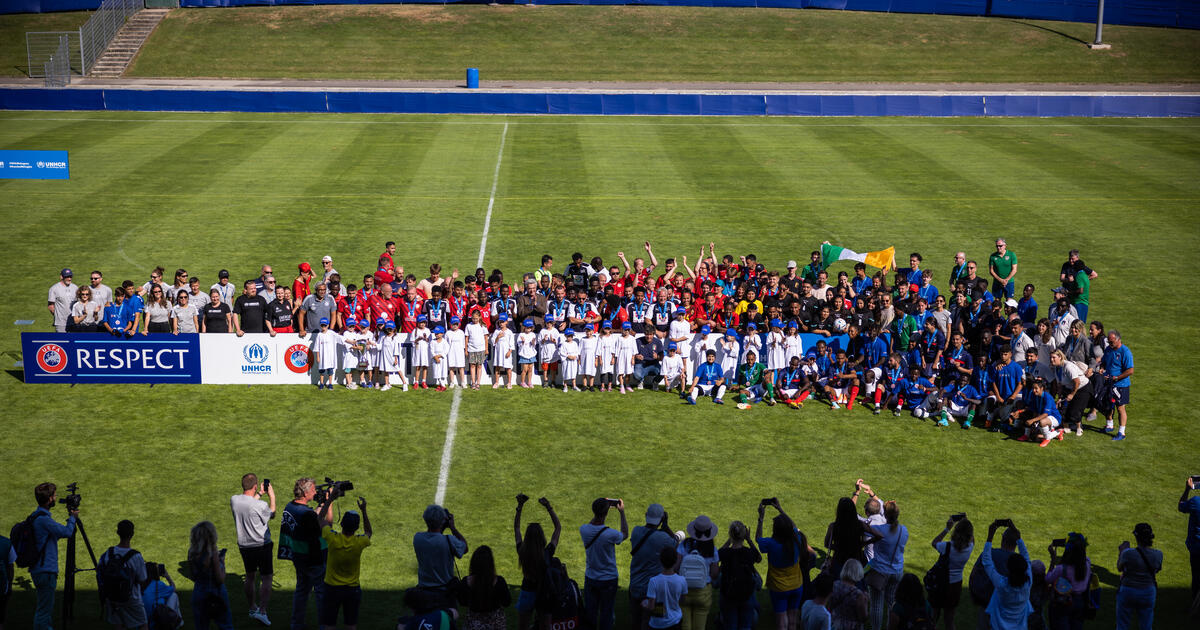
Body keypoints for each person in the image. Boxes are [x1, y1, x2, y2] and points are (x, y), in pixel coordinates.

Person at [279, 478, 329, 630]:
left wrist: (321, 506)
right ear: (306, 492)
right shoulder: (307, 514)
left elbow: (309, 518)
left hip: (298, 556)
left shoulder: (290, 507)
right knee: (321, 593)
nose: (316, 492)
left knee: (301, 590)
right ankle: (324, 626)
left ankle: (296, 624)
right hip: (313, 558)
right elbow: (324, 525)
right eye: (314, 490)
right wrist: (329, 502)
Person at [756, 498, 813, 630]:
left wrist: (761, 518)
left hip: (778, 588)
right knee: (793, 620)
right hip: (797, 585)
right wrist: (780, 509)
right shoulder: (797, 540)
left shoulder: (770, 544)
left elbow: (758, 539)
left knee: (781, 622)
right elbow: (793, 527)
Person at [28, 482, 78, 630]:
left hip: (39, 569)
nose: (56, 498)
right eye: (54, 495)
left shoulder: (36, 517)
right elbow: (67, 532)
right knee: (44, 610)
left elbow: (51, 536)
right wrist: (73, 517)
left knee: (45, 607)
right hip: (45, 571)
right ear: (49, 499)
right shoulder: (43, 519)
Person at [318, 496, 372, 630]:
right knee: (351, 625)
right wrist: (364, 510)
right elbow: (369, 532)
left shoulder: (332, 538)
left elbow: (320, 519)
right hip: (352, 589)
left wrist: (330, 499)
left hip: (332, 588)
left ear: (341, 524)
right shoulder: (360, 542)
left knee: (329, 624)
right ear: (356, 527)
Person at [230, 473, 275, 626]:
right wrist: (271, 496)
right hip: (262, 546)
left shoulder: (234, 500)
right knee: (266, 578)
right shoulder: (261, 505)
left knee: (250, 577)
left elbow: (249, 504)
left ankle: (252, 608)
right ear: (255, 485)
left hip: (244, 546)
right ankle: (262, 611)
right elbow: (272, 514)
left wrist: (260, 494)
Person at [514, 494, 561, 630]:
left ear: (527, 537)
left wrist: (520, 506)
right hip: (544, 593)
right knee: (545, 626)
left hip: (527, 592)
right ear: (542, 537)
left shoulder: (522, 552)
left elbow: (517, 528)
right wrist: (548, 507)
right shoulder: (547, 553)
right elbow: (557, 527)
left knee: (522, 627)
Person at [580, 497, 628, 630]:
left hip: (591, 578)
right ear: (606, 513)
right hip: (609, 579)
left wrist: (602, 507)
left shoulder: (584, 530)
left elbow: (592, 524)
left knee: (591, 613)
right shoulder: (610, 534)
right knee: (607, 614)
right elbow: (625, 534)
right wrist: (622, 512)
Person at [413, 504, 468, 609]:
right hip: (445, 593)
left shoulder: (418, 538)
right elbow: (464, 548)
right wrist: (453, 528)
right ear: (443, 521)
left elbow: (435, 538)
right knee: (446, 622)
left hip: (424, 592)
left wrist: (441, 525)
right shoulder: (449, 540)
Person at [980, 520, 1032, 630]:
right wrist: (1018, 537)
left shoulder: (1002, 584)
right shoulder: (1028, 583)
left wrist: (990, 535)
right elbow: (1026, 558)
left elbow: (987, 562)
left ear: (1009, 568)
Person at [97, 519, 148, 630]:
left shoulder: (108, 553)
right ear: (132, 534)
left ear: (117, 533)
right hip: (132, 597)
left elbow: (100, 572)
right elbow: (143, 579)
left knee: (119, 624)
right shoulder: (136, 556)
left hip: (112, 597)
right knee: (143, 624)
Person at [867, 501, 907, 630]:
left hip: (880, 571)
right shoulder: (903, 530)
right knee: (891, 603)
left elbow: (864, 531)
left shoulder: (880, 529)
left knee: (876, 605)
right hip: (897, 571)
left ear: (885, 514)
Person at [930, 517, 974, 630]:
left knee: (933, 618)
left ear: (956, 531)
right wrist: (966, 520)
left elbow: (934, 542)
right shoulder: (969, 547)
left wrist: (947, 529)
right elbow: (972, 538)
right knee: (949, 620)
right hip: (955, 585)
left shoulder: (947, 546)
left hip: (940, 583)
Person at [676, 515, 719, 630]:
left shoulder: (684, 545)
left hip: (684, 590)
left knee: (685, 625)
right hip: (703, 592)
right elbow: (715, 574)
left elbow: (676, 567)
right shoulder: (712, 550)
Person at [718, 520, 762, 630]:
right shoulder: (748, 552)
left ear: (730, 534)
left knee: (731, 626)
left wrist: (730, 540)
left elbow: (717, 554)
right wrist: (749, 539)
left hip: (729, 593)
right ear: (744, 535)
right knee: (745, 626)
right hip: (745, 593)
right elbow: (758, 557)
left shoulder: (725, 553)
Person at [1115, 523, 1160, 630]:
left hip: (1128, 590)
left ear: (1136, 536)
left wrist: (1121, 552)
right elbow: (1156, 570)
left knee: (1122, 625)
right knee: (1146, 626)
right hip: (1148, 592)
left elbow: (1119, 568)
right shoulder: (1158, 554)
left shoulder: (1127, 553)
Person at [189, 521, 233, 630]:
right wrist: (222, 563)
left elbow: (193, 576)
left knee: (201, 626)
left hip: (199, 592)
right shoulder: (213, 553)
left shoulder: (192, 552)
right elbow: (220, 579)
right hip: (216, 592)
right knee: (225, 625)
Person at [455, 545, 510, 630]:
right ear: (491, 563)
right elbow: (507, 602)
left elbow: (462, 602)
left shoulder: (466, 581)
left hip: (472, 624)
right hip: (496, 624)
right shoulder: (499, 581)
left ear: (473, 562)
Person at [1046, 532, 1092, 630]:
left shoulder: (1061, 568)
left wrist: (1053, 559)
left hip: (1063, 602)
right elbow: (1083, 557)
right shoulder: (1087, 565)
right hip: (1080, 602)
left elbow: (1048, 579)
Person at [1099, 329, 1134, 441]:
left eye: (1112, 342)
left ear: (1118, 340)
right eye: (1109, 342)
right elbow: (1103, 362)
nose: (1110, 344)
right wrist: (1102, 369)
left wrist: (1117, 378)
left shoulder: (1125, 352)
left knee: (1120, 408)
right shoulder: (1109, 349)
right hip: (1109, 383)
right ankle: (1109, 425)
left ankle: (1121, 432)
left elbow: (1130, 370)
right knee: (1107, 405)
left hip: (1121, 384)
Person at [644, 546, 688, 630]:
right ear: (675, 561)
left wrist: (644, 604)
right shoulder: (682, 580)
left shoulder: (653, 581)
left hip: (657, 623)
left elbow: (651, 607)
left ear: (661, 561)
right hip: (675, 621)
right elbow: (683, 601)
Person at [828, 560, 868, 630]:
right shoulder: (858, 594)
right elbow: (863, 618)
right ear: (858, 573)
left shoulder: (834, 585)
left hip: (834, 623)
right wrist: (866, 602)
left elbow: (830, 606)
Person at [141, 562, 182, 630]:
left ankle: (179, 622)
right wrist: (167, 576)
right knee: (173, 596)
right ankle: (177, 622)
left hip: (143, 623)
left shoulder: (139, 585)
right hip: (158, 622)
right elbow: (173, 588)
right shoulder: (158, 584)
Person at [1180, 477, 1200, 600]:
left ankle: (1195, 606)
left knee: (1197, 577)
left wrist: (1187, 489)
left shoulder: (1196, 502)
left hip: (1197, 547)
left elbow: (1181, 506)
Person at [48, 268, 76, 332]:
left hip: (74, 322)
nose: (69, 279)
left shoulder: (75, 287)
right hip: (61, 323)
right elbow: (51, 306)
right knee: (63, 341)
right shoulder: (54, 288)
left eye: (70, 276)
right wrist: (58, 316)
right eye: (67, 277)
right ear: (61, 277)